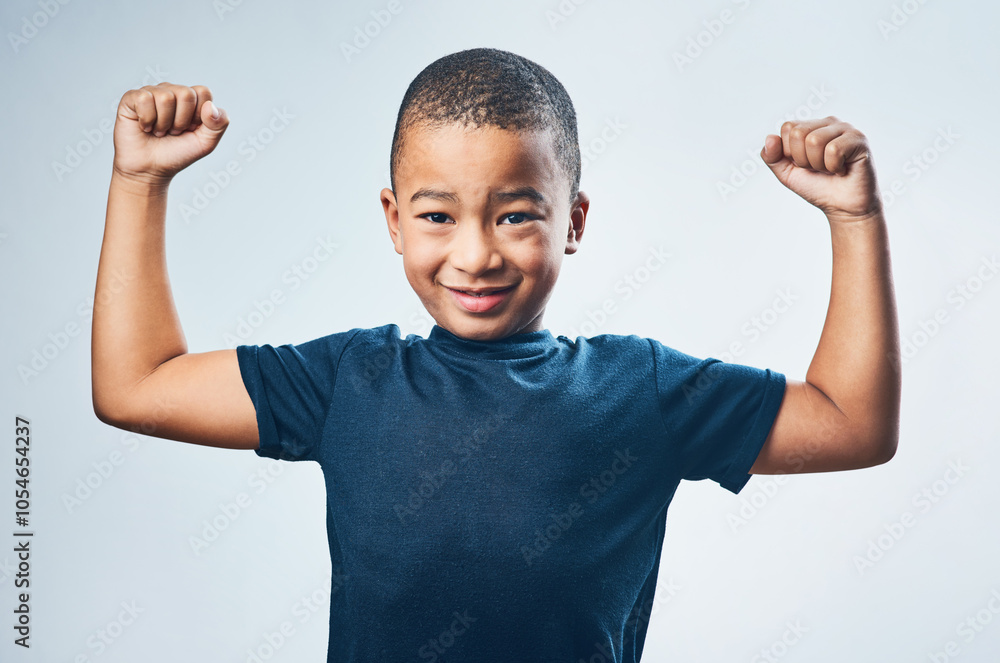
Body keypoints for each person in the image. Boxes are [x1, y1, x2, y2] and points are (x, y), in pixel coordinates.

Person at [92, 47, 900, 662]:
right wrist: (139, 183)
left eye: (516, 214)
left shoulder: (641, 388)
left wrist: (855, 223)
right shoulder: (346, 381)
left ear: (573, 221)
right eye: (439, 215)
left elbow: (851, 423)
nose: (475, 254)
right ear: (394, 219)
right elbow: (137, 385)